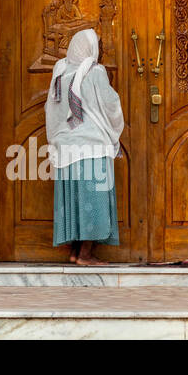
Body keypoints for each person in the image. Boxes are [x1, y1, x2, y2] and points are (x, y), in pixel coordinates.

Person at [44, 28, 124, 266]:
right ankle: (86, 255)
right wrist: (115, 128)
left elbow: (52, 111)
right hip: (91, 146)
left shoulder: (60, 73)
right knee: (94, 201)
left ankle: (75, 252)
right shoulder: (94, 72)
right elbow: (110, 105)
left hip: (67, 147)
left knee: (76, 200)